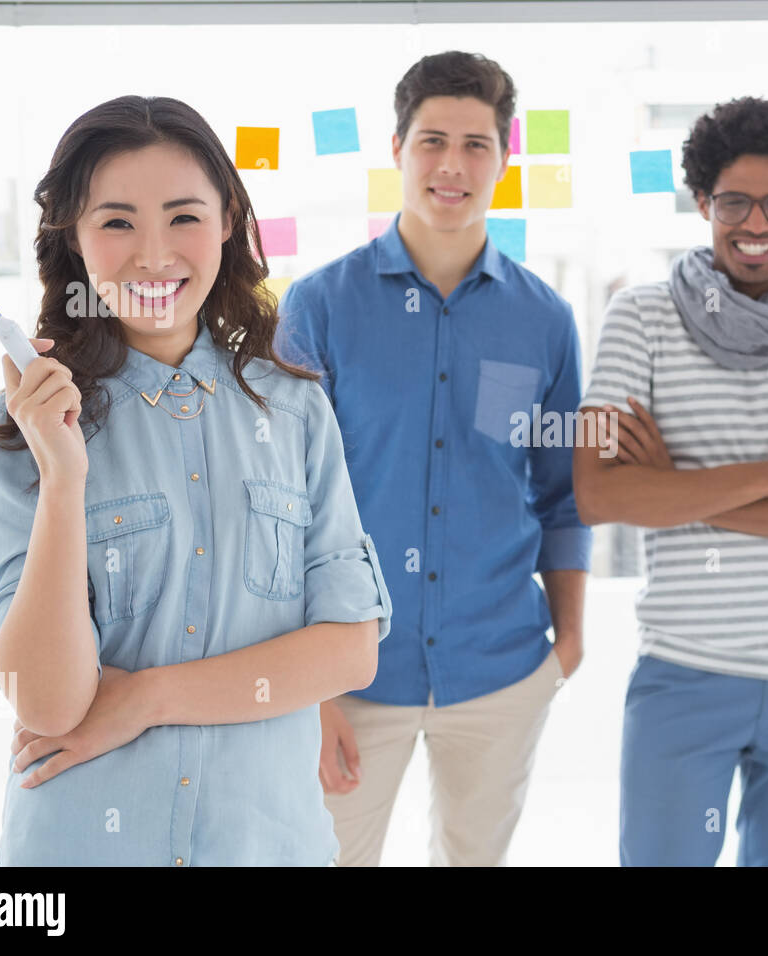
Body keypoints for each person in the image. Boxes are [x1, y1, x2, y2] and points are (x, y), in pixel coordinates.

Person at [0, 95, 391, 866]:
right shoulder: (16, 433)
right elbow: (50, 704)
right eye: (118, 221)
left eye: (184, 217)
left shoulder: (295, 412)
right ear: (74, 235)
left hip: (269, 847)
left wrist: (145, 701)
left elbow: (349, 650)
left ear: (228, 221)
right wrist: (64, 481)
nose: (155, 256)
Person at [275, 51, 591, 867]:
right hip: (350, 672)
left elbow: (560, 495)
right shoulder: (320, 306)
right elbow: (279, 502)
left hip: (502, 667)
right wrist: (309, 691)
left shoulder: (545, 319)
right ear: (397, 149)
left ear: (504, 158)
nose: (453, 165)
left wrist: (571, 640)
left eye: (476, 145)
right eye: (432, 141)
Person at [574, 96, 768, 866]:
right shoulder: (636, 316)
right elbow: (597, 492)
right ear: (701, 202)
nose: (757, 223)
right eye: (733, 201)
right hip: (684, 673)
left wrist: (677, 487)